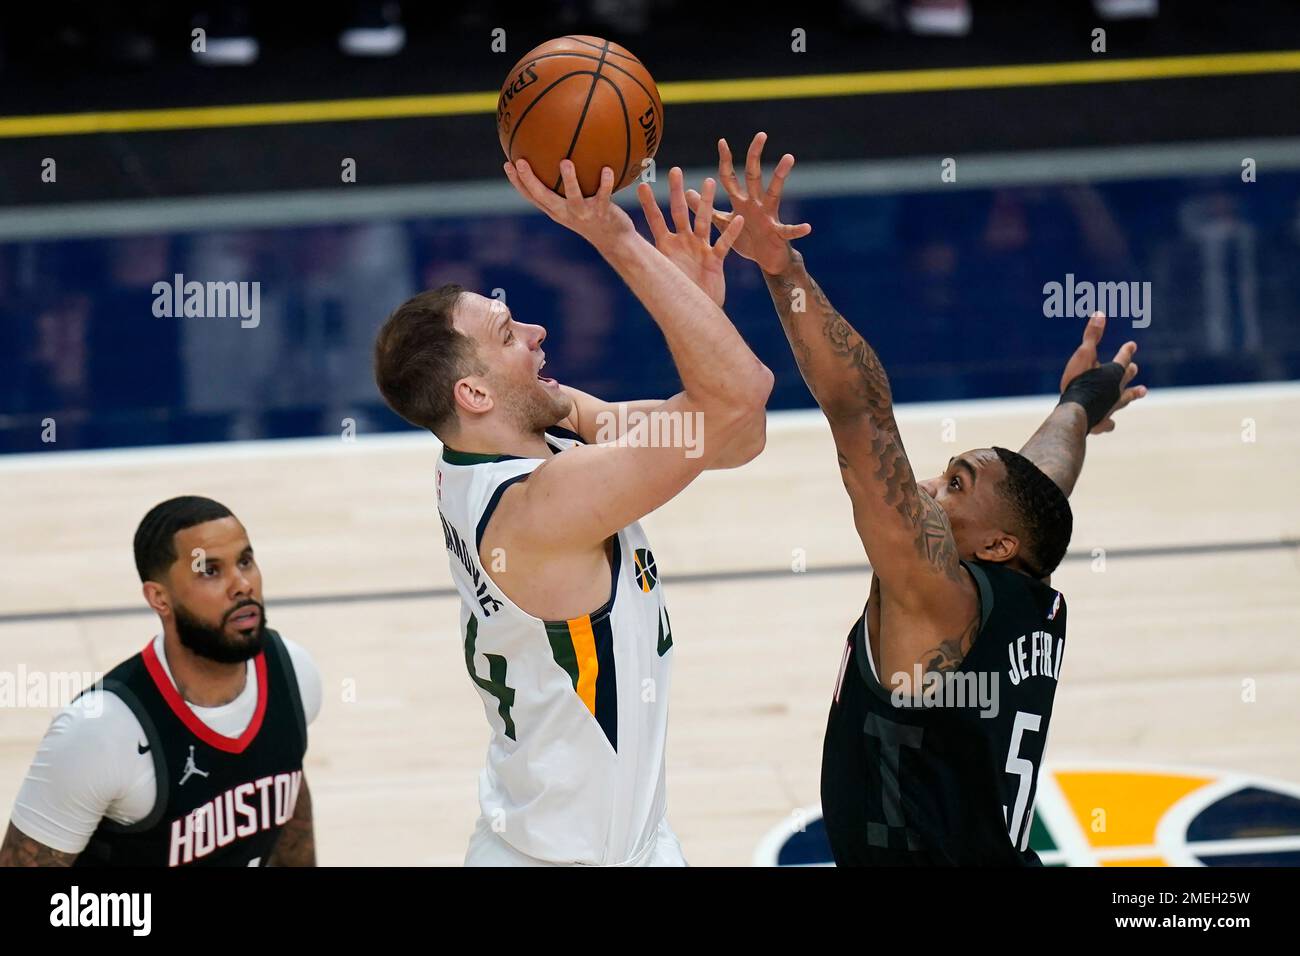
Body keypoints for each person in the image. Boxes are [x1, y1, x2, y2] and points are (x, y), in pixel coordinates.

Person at [687, 132, 1145, 865]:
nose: (928, 485)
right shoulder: (1025, 572)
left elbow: (861, 411)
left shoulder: (934, 596)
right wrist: (1081, 404)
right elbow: (1044, 475)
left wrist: (783, 267)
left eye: (955, 484)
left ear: (995, 544)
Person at [372, 158, 772, 865]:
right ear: (473, 394)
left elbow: (736, 435)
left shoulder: (539, 432)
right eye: (505, 334)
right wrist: (616, 238)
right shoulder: (540, 507)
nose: (535, 332)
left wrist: (696, 308)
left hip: (622, 843)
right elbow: (735, 401)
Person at [0, 496, 320, 867]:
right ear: (159, 598)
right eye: (210, 571)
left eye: (245, 561)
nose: (242, 585)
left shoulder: (293, 672)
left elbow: (286, 787)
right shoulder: (99, 731)